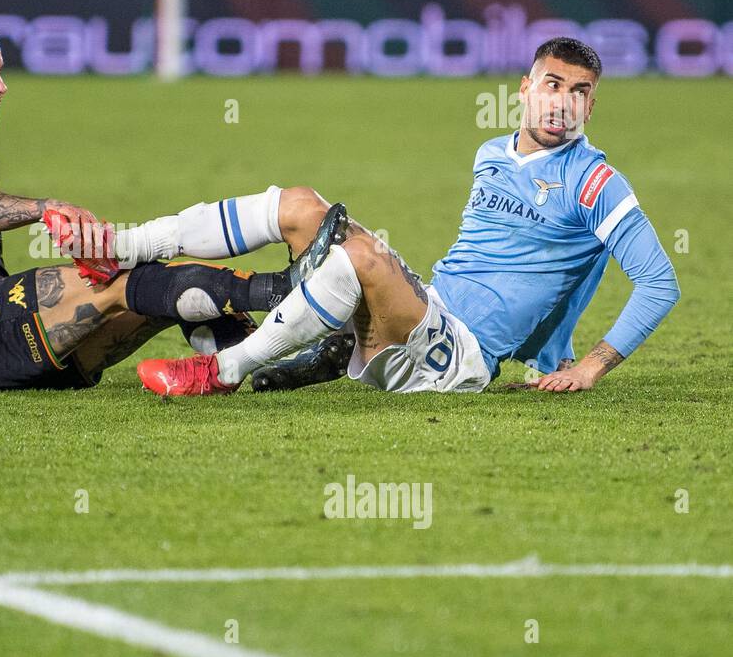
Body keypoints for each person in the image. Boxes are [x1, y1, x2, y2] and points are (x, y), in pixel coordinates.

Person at [105, 38, 678, 396]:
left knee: (359, 253)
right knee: (303, 204)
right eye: (553, 84)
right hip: (429, 310)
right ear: (525, 89)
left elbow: (660, 283)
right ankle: (130, 245)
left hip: (460, 357)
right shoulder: (491, 154)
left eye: (580, 92)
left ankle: (222, 371)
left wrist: (592, 367)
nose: (564, 102)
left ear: (591, 106)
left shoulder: (595, 181)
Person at [0, 18, 304, 391]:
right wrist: (43, 208)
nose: (2, 86)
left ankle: (258, 363)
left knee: (154, 286)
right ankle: (293, 291)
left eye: (0, 73)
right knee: (113, 282)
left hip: (11, 339)